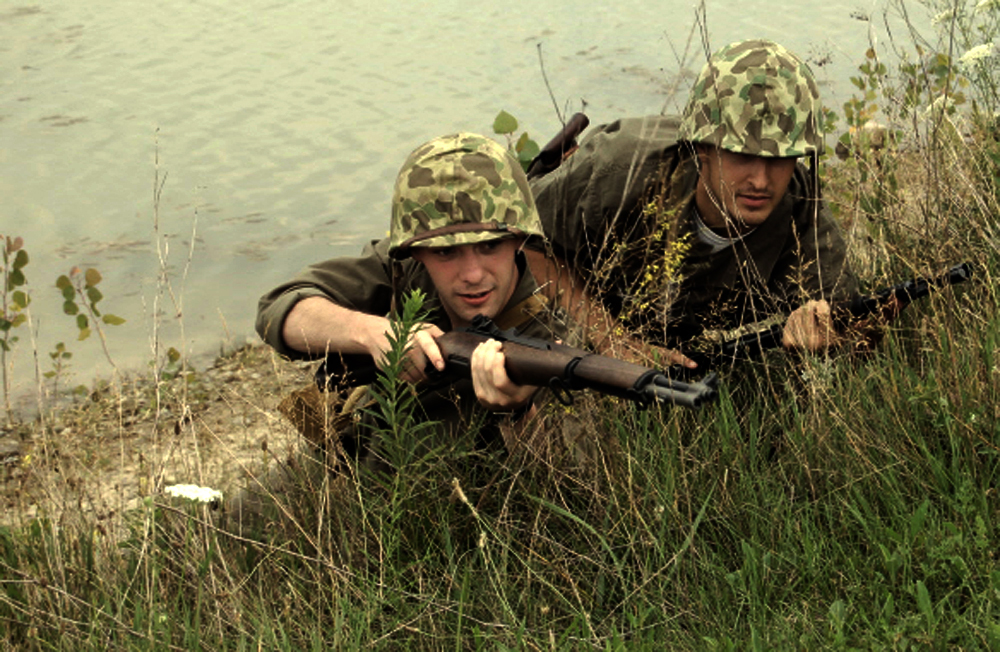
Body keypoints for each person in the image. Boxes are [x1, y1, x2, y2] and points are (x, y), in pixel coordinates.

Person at [526, 38, 862, 363]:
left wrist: (823, 327)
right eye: (741, 155)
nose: (761, 181)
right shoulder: (620, 170)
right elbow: (521, 237)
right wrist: (610, 338)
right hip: (581, 301)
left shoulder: (799, 203)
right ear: (702, 148)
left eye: (778, 159)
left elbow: (851, 322)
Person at [255, 132, 570, 471]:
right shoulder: (404, 272)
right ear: (416, 252)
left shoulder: (556, 333)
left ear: (518, 239)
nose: (473, 274)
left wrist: (518, 413)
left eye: (489, 246)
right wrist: (374, 333)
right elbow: (278, 310)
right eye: (446, 252)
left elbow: (569, 486)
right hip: (346, 459)